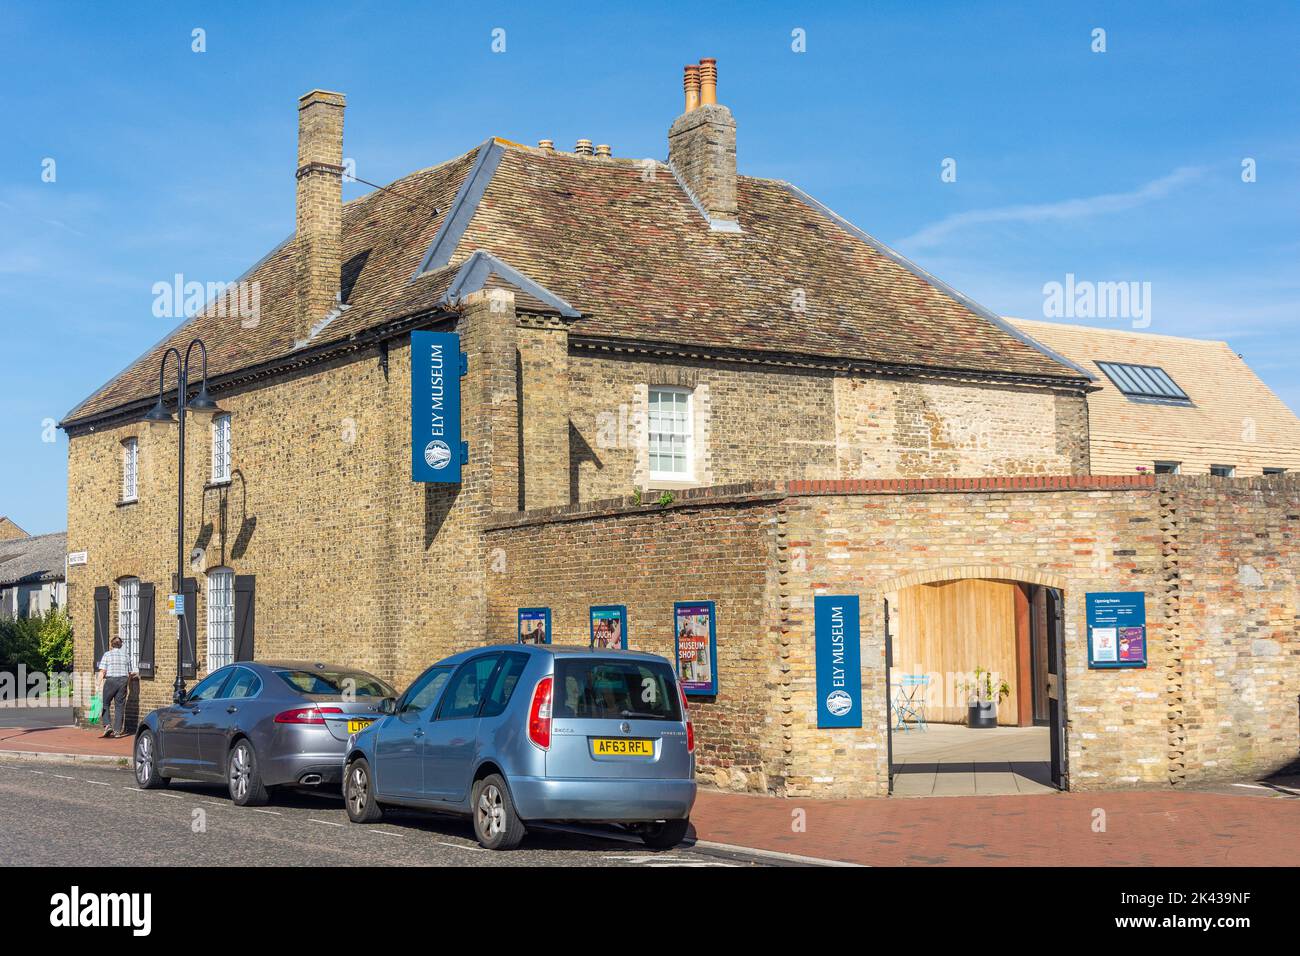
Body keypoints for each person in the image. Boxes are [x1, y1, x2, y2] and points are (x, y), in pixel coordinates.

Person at [96, 636, 137, 738]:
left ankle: (107, 725)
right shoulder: (126, 656)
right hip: (123, 681)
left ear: (111, 644)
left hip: (111, 681)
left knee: (105, 703)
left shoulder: (107, 654)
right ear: (121, 644)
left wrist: (97, 685)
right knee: (119, 706)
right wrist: (127, 684)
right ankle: (117, 731)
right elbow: (130, 673)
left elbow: (102, 671)